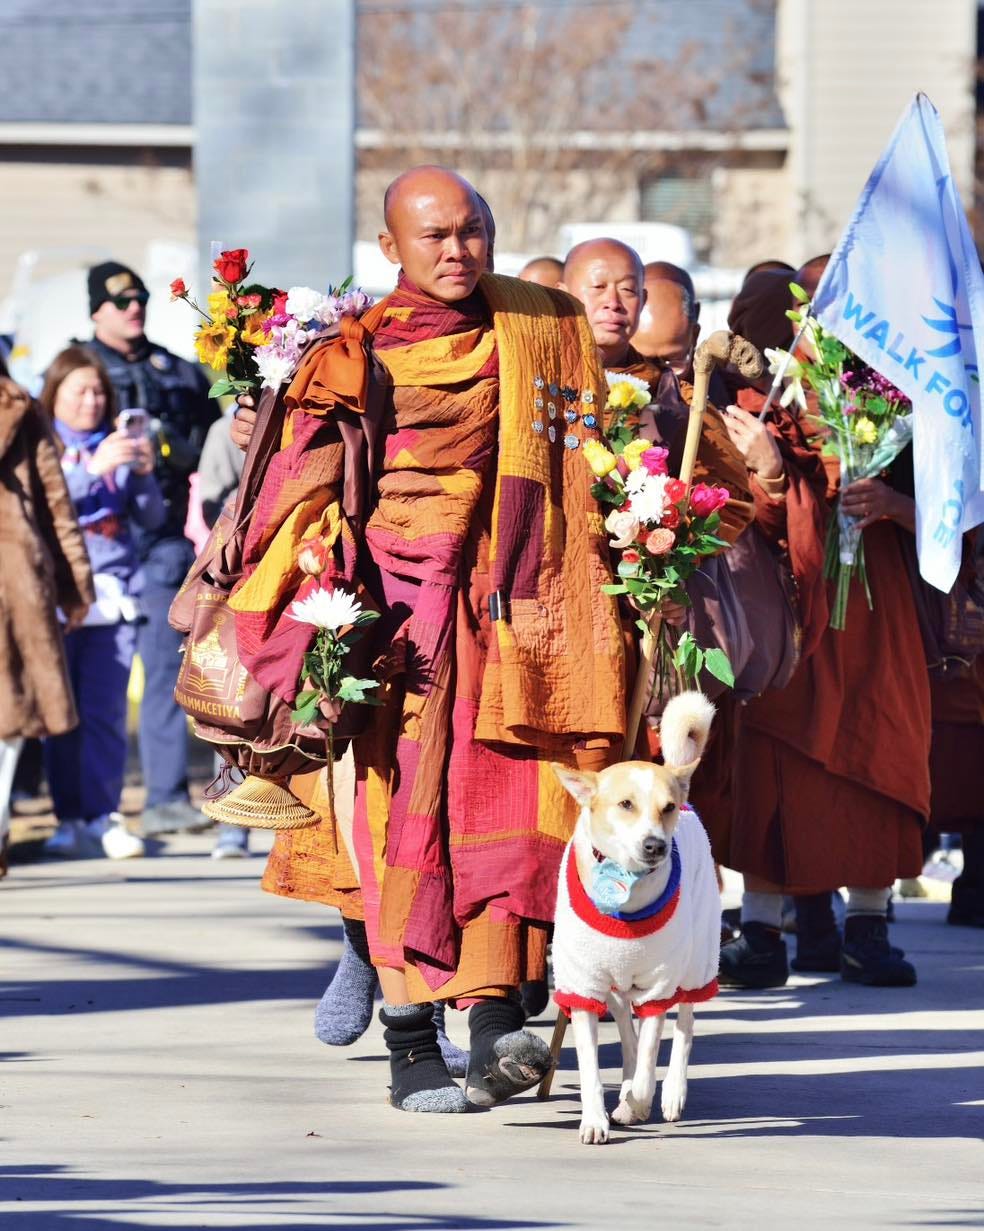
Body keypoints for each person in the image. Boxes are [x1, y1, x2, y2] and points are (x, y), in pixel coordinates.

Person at [226, 166, 626, 1114]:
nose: (458, 250)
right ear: (390, 248)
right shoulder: (351, 348)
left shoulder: (543, 323)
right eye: (435, 235)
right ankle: (410, 1040)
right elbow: (303, 490)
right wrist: (317, 593)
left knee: (507, 803)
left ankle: (493, 1025)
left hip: (517, 609)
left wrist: (646, 527)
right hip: (396, 626)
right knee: (400, 816)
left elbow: (588, 453)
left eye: (472, 230)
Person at [719, 256, 928, 988]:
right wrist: (773, 472)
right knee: (777, 762)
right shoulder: (759, 401)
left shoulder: (901, 395)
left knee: (883, 747)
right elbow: (742, 514)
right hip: (794, 610)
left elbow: (956, 507)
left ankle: (868, 926)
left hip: (877, 609)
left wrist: (893, 505)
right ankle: (761, 933)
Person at [81, 261, 219, 838]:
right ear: (96, 310)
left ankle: (165, 799)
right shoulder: (76, 371)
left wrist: (169, 447)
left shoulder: (177, 371)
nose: (135, 306)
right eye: (121, 300)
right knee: (96, 681)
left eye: (140, 297)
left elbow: (214, 442)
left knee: (165, 671)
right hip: (96, 545)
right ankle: (87, 809)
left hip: (162, 539)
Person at [39, 347, 164, 860]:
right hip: (55, 597)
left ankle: (103, 814)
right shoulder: (39, 444)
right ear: (54, 395)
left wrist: (144, 472)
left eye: (98, 392)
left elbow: (152, 518)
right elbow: (40, 507)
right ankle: (68, 818)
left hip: (113, 596)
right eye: (80, 391)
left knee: (106, 712)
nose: (91, 402)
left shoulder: (117, 444)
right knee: (59, 713)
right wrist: (91, 470)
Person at [0, 360, 94, 877]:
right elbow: (57, 505)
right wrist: (74, 585)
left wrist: (75, 584)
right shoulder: (18, 404)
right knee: (9, 717)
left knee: (11, 715)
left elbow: (55, 502)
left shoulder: (22, 406)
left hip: (15, 578)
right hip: (15, 575)